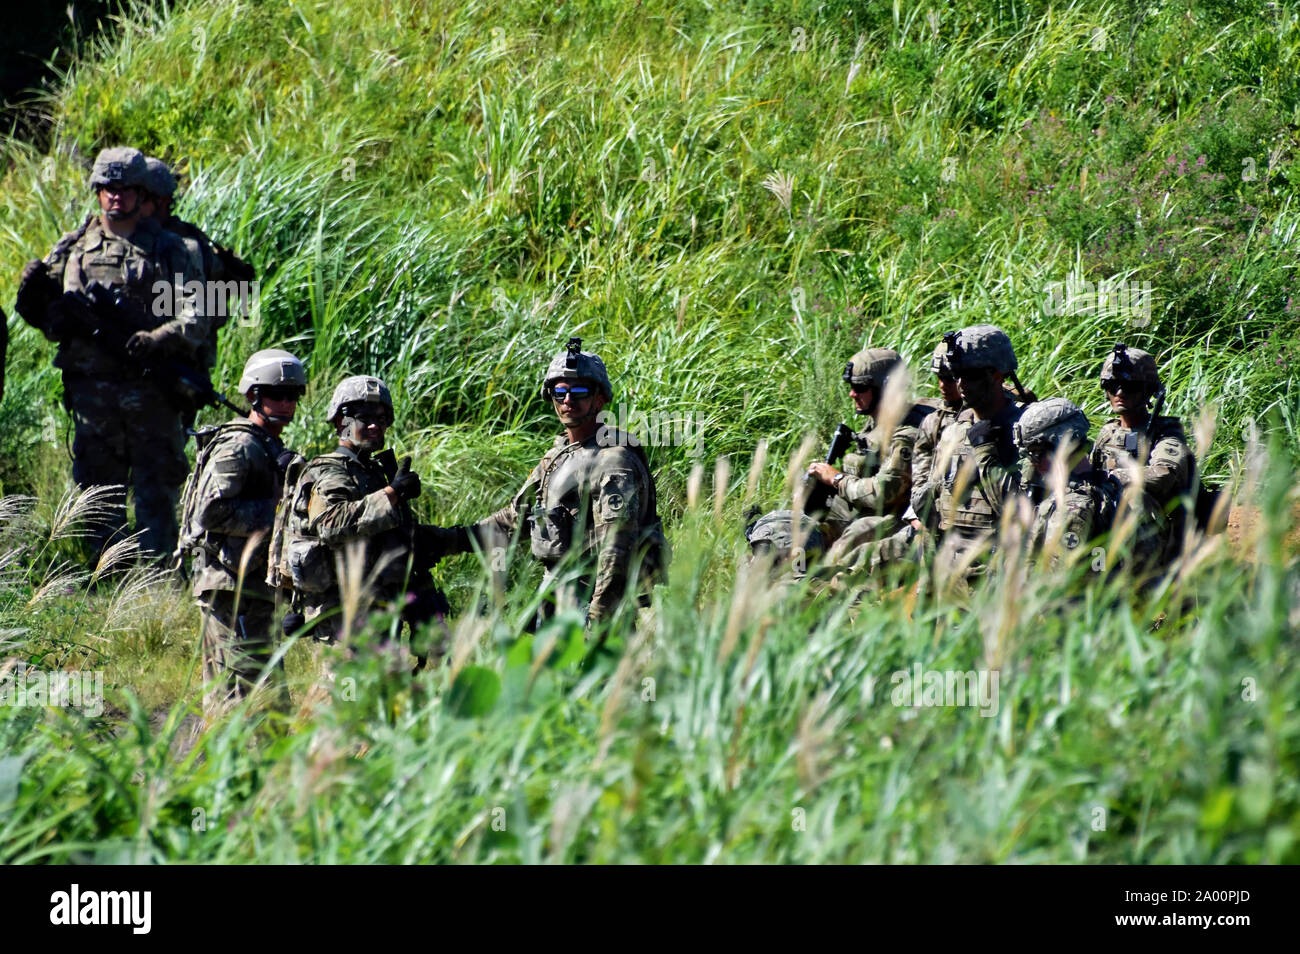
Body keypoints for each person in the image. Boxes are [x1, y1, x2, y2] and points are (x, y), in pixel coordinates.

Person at [14, 146, 204, 561]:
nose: (115, 196)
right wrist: (33, 293)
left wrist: (159, 337)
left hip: (153, 390)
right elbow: (48, 321)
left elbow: (196, 316)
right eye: (107, 188)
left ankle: (155, 578)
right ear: (96, 191)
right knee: (99, 488)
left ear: (141, 193)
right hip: (92, 394)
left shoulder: (173, 249)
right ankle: (106, 574)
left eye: (125, 188)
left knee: (157, 484)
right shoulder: (73, 247)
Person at [469, 338, 665, 631]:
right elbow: (514, 519)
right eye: (559, 392)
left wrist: (597, 623)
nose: (567, 400)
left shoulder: (613, 461)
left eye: (579, 391)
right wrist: (443, 540)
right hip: (555, 598)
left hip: (589, 605)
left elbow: (616, 551)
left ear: (599, 399)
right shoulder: (561, 454)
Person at [278, 375, 457, 660]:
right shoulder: (329, 471)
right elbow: (330, 524)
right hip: (344, 618)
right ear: (341, 422)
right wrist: (392, 493)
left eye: (382, 418)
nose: (375, 425)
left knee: (381, 699)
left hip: (378, 610)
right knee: (348, 699)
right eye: (365, 418)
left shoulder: (370, 471)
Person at [179, 349, 306, 718]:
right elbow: (209, 512)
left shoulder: (267, 445)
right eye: (275, 394)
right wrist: (277, 509)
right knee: (245, 703)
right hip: (232, 592)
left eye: (292, 395)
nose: (285, 402)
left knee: (261, 703)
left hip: (253, 590)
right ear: (254, 395)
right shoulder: (240, 446)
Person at [806, 348, 933, 572]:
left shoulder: (907, 432)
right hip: (860, 510)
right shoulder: (877, 422)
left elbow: (884, 492)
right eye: (852, 387)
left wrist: (836, 479)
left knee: (844, 548)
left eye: (860, 388)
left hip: (899, 518)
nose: (852, 394)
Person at [930, 324, 1032, 592]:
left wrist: (986, 450)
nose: (961, 384)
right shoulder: (953, 432)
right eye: (957, 374)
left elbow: (1024, 513)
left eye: (970, 375)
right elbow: (933, 502)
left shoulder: (1027, 430)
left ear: (997, 375)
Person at [141, 156, 256, 370]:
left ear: (163, 200)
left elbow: (195, 314)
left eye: (142, 196)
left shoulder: (185, 246)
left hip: (178, 361)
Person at [1089, 344, 1193, 563]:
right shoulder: (1108, 432)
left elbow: (1165, 473)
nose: (1119, 393)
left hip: (1160, 538)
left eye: (1129, 386)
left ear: (1148, 391)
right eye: (1112, 385)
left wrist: (1112, 479)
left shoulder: (1165, 432)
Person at [1012, 397, 1119, 570]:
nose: (1033, 462)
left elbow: (1055, 580)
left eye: (1037, 453)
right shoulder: (1104, 484)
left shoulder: (1073, 506)